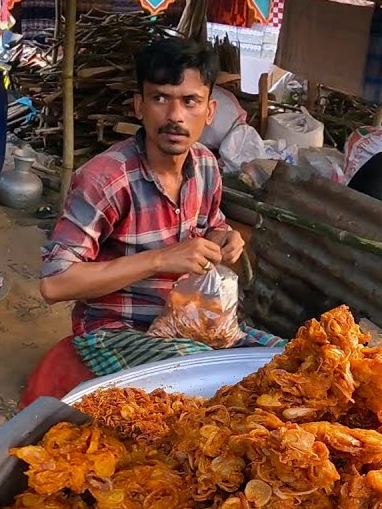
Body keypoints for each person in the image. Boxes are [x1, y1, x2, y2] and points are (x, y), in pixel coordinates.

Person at [39, 37, 279, 375]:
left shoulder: (206, 166)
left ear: (209, 111)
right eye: (160, 98)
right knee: (210, 373)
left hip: (190, 319)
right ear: (139, 106)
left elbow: (213, 225)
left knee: (287, 357)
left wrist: (225, 237)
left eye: (191, 101)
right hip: (117, 330)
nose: (175, 116)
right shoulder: (106, 179)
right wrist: (160, 260)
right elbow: (55, 283)